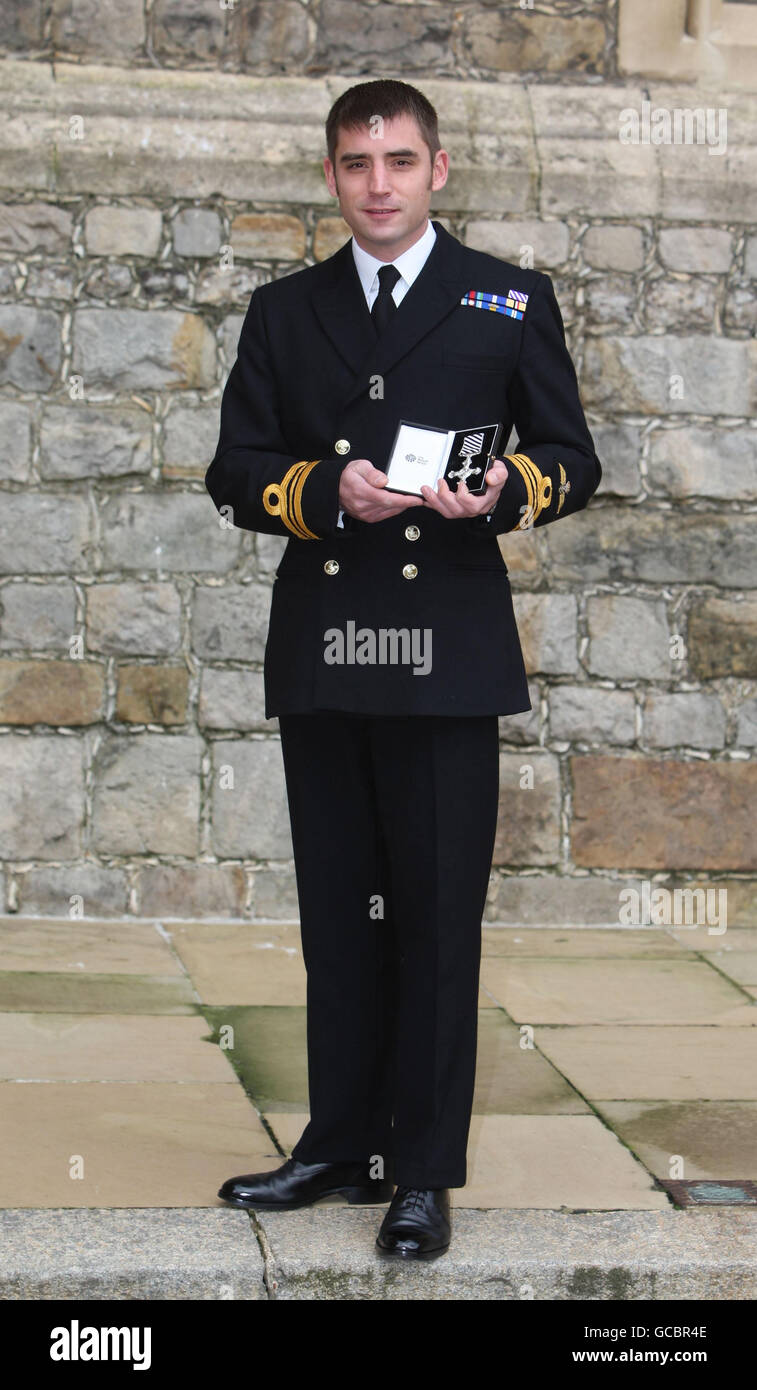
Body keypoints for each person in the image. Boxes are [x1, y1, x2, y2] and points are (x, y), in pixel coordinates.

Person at [206, 78, 602, 1261]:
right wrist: (325, 491)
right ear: (331, 175)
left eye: (397, 160)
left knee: (432, 917)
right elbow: (235, 470)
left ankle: (420, 1172)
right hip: (328, 645)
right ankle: (339, 1142)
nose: (375, 184)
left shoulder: (505, 297)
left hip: (446, 651)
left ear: (438, 168)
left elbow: (572, 454)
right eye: (353, 163)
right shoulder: (286, 310)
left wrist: (508, 487)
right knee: (341, 912)